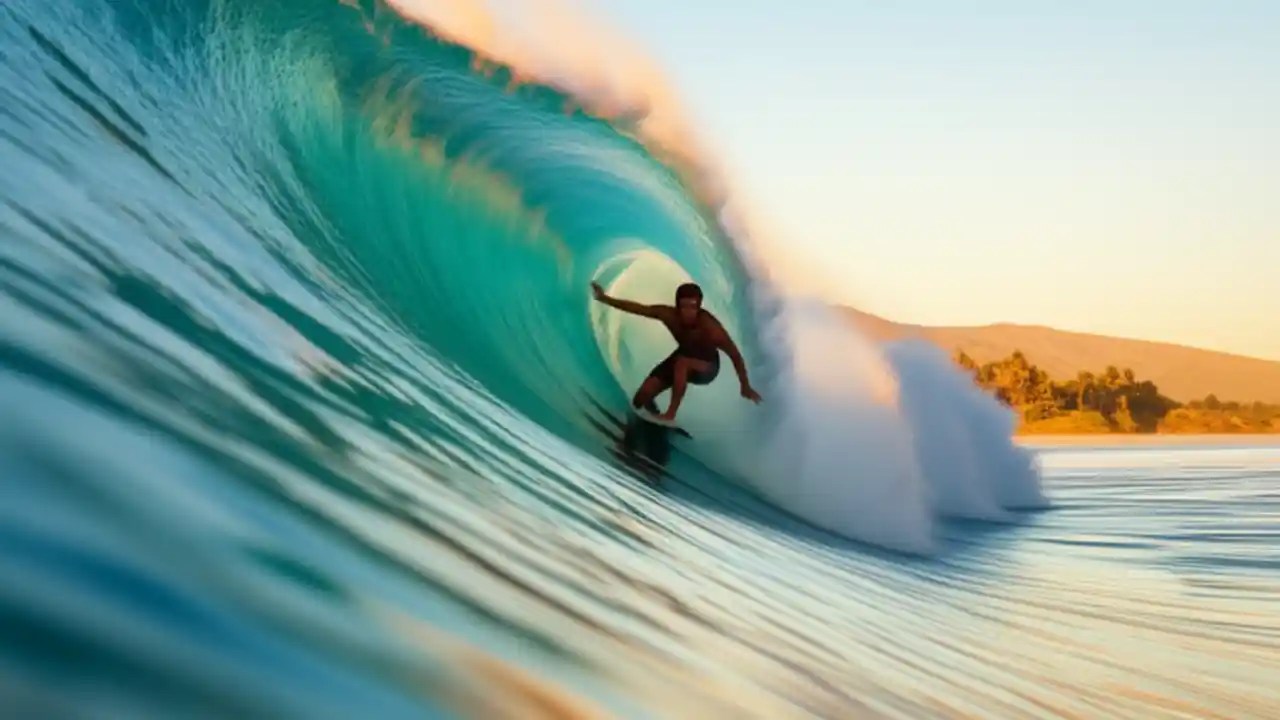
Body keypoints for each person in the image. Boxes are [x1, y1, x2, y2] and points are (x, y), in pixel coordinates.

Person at [591, 281, 762, 422]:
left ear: (699, 307)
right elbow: (639, 309)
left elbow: (734, 354)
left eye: (693, 307)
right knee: (640, 398)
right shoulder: (668, 315)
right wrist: (604, 298)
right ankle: (652, 413)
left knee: (682, 363)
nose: (688, 312)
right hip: (683, 355)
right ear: (677, 305)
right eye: (684, 306)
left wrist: (745, 386)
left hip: (707, 366)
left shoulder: (710, 327)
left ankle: (670, 414)